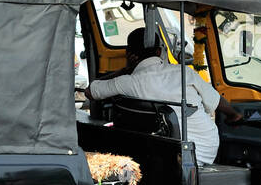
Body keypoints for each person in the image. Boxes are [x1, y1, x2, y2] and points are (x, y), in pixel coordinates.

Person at [86, 28, 241, 165]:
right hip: (206, 150)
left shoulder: (129, 82)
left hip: (170, 154)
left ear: (129, 55)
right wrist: (234, 114)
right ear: (159, 52)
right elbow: (215, 99)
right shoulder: (183, 72)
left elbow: (90, 92)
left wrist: (124, 70)